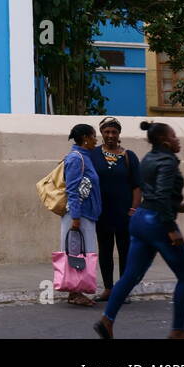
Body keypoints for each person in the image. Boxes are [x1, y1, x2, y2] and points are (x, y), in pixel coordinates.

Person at [95, 121, 184, 339]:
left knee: (130, 275)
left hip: (140, 220)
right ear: (164, 141)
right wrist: (171, 228)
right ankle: (178, 330)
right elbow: (160, 196)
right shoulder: (168, 162)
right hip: (157, 222)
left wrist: (178, 206)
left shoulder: (147, 159)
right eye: (173, 136)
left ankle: (107, 320)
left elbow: (152, 193)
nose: (177, 139)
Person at [87, 117, 141, 302]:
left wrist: (133, 210)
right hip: (102, 213)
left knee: (125, 251)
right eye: (107, 132)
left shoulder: (129, 156)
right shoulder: (92, 155)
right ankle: (109, 288)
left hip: (124, 213)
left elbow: (137, 186)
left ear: (119, 134)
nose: (110, 135)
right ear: (101, 133)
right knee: (105, 250)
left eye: (114, 132)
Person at [60, 123, 101, 307]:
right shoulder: (76, 159)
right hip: (78, 215)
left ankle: (77, 291)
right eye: (93, 136)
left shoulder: (85, 156)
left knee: (83, 252)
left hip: (85, 215)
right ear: (85, 138)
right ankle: (74, 292)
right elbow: (72, 190)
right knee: (77, 252)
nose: (96, 139)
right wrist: (75, 218)